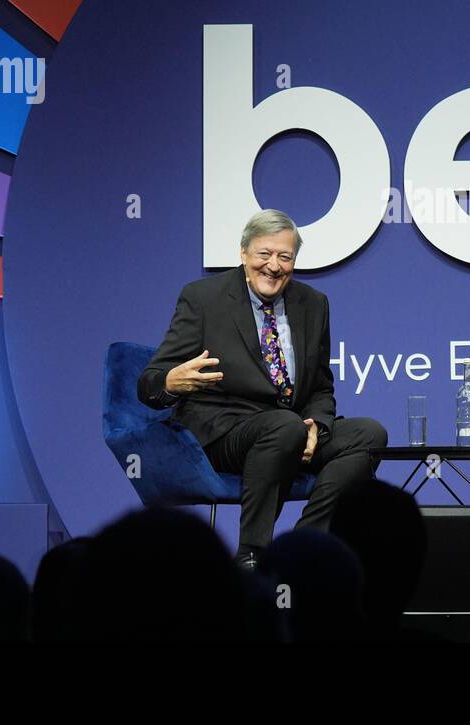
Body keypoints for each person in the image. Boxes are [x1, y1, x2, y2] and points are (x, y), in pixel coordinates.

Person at [137, 209, 388, 570]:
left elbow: (320, 385)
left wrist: (317, 424)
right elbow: (149, 381)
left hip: (288, 429)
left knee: (368, 434)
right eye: (263, 254)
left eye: (284, 257)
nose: (273, 266)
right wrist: (169, 382)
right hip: (226, 431)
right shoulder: (203, 298)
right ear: (243, 254)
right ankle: (252, 554)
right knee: (283, 426)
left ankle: (306, 544)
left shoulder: (313, 304)